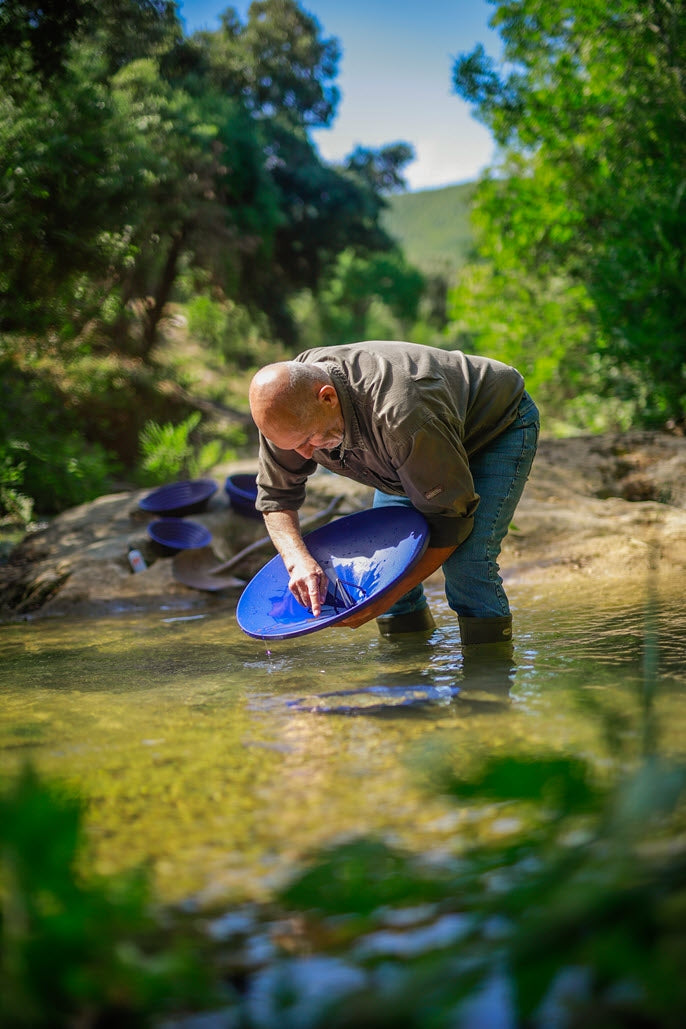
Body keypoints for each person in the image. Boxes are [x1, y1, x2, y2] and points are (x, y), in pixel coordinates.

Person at [248, 340, 539, 646]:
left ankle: (487, 682)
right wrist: (297, 561)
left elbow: (451, 519)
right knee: (383, 573)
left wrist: (381, 603)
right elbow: (275, 497)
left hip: (494, 428)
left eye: (309, 439)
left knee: (468, 566)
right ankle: (407, 683)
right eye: (292, 445)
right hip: (414, 454)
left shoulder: (400, 413)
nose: (304, 455)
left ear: (328, 397)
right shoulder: (284, 411)